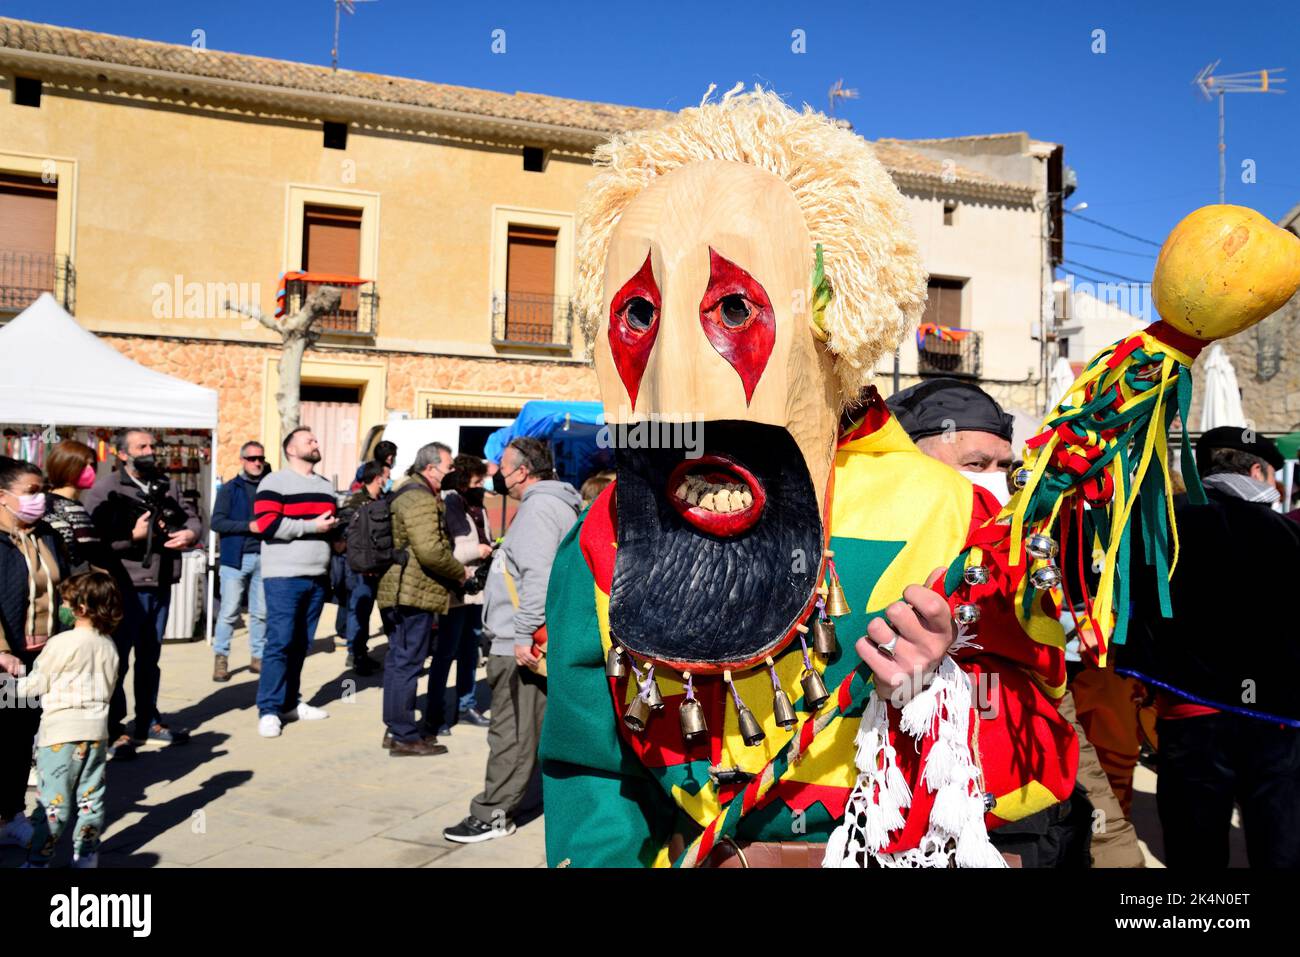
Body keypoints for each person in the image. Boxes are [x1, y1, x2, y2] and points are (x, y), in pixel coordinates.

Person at [889, 377, 1143, 867]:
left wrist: (1119, 856)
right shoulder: (860, 571)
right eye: (974, 464)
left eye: (1004, 466)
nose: (994, 479)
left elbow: (1060, 723)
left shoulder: (1016, 572)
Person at [1124, 428, 1300, 867]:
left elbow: (1136, 614)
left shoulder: (1164, 528)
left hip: (1189, 716)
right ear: (1257, 471)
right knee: (1280, 849)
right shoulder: (1289, 536)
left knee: (1194, 851)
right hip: (1275, 723)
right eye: (1273, 477)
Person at [444, 438, 581, 843]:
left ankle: (493, 814)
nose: (496, 473)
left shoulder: (538, 508)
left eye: (502, 466)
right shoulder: (556, 503)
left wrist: (522, 634)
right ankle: (523, 797)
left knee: (511, 730)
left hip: (520, 641)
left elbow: (537, 577)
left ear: (522, 471)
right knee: (529, 728)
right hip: (528, 636)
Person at [83, 429, 200, 759]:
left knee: (151, 658)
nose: (151, 451)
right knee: (116, 661)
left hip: (160, 583)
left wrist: (190, 533)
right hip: (124, 587)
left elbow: (192, 515)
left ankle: (148, 720)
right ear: (122, 454)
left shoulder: (167, 483)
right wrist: (130, 537)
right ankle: (113, 728)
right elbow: (92, 537)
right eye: (142, 446)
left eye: (153, 445)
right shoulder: (106, 489)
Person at [7, 571, 121, 868]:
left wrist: (8, 685)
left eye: (68, 603)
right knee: (90, 800)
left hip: (61, 736)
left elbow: (35, 684)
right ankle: (86, 855)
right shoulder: (109, 645)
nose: (64, 608)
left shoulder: (62, 642)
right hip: (96, 735)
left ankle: (39, 860)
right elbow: (110, 689)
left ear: (81, 608)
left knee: (53, 804)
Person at [376, 443, 467, 756]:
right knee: (407, 663)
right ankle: (403, 734)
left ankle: (397, 728)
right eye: (448, 467)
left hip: (403, 590)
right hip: (412, 592)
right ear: (430, 468)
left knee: (400, 661)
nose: (452, 473)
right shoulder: (419, 498)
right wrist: (460, 572)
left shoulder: (410, 492)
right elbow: (430, 551)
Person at [0, 457, 68, 850]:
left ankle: (11, 815)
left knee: (18, 736)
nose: (40, 498)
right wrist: (2, 649)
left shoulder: (44, 535)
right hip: (4, 658)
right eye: (31, 491)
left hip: (37, 656)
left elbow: (62, 587)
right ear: (3, 497)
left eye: (41, 490)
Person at [252, 427, 337, 738]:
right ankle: (268, 709)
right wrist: (312, 526)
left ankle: (290, 702)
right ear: (290, 449)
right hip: (284, 576)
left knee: (302, 644)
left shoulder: (326, 486)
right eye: (308, 440)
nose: (315, 442)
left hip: (317, 575)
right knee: (280, 642)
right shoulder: (274, 481)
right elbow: (267, 523)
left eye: (315, 439)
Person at [425, 453, 493, 736]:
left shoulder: (477, 505)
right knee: (445, 653)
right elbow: (449, 549)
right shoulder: (449, 504)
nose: (481, 486)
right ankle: (436, 714)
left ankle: (467, 706)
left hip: (476, 590)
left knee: (469, 652)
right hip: (456, 588)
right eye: (477, 481)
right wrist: (477, 551)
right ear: (465, 481)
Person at [209, 441, 268, 682]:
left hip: (265, 557)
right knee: (229, 611)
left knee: (261, 612)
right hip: (235, 559)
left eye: (260, 458)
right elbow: (217, 523)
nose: (257, 462)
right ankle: (221, 658)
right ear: (242, 460)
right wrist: (248, 526)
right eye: (252, 458)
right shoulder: (229, 489)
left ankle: (258, 657)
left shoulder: (270, 487)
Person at [338, 461, 386, 676]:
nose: (386, 479)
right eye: (384, 476)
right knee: (359, 610)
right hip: (359, 567)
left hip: (377, 564)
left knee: (366, 611)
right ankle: (355, 654)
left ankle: (361, 652)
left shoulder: (383, 499)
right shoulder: (356, 501)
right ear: (377, 478)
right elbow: (346, 533)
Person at [42, 440, 116, 576]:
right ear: (64, 466)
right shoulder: (50, 506)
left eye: (92, 464)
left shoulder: (76, 505)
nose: (90, 470)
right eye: (83, 465)